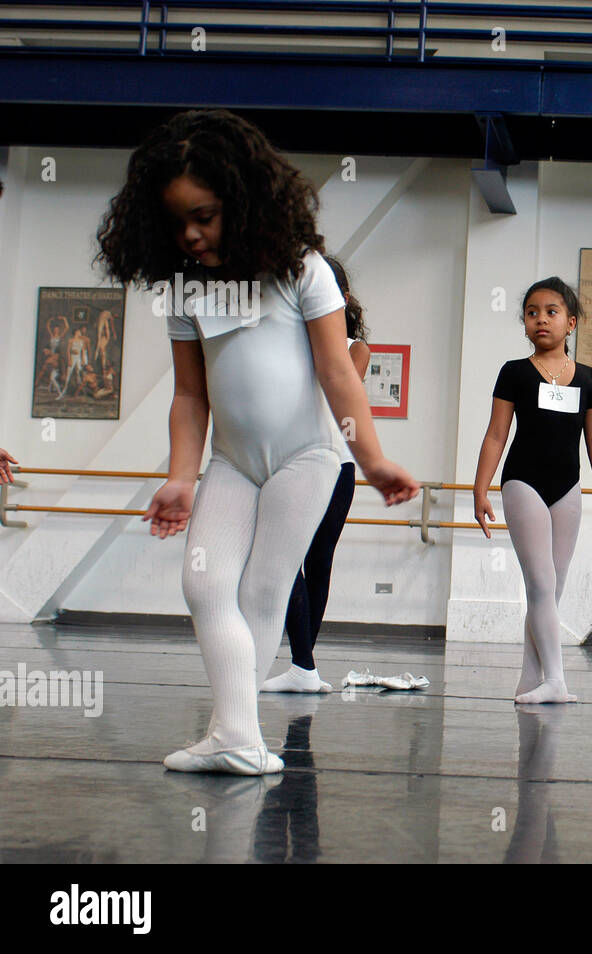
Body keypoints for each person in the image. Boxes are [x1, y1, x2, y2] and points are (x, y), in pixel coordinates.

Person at [95, 108, 420, 774]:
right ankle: (236, 737)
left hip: (307, 458)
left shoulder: (301, 269)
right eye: (176, 220)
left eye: (205, 216)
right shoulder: (185, 288)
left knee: (264, 593)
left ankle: (237, 736)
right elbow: (191, 395)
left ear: (242, 203)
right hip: (232, 464)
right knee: (203, 584)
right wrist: (181, 478)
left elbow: (338, 374)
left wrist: (375, 458)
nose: (190, 234)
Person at [473, 277, 592, 704]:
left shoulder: (589, 380)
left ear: (570, 323)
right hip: (523, 483)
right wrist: (481, 489)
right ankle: (556, 681)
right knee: (540, 583)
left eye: (552, 312)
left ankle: (529, 678)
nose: (541, 319)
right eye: (532, 312)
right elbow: (496, 435)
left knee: (551, 590)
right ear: (524, 323)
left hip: (568, 489)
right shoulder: (515, 373)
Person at [262, 255, 372, 693]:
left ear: (341, 299)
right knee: (285, 560)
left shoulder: (355, 348)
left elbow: (336, 387)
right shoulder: (286, 341)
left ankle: (302, 664)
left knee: (318, 561)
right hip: (289, 462)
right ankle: (303, 666)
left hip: (335, 465)